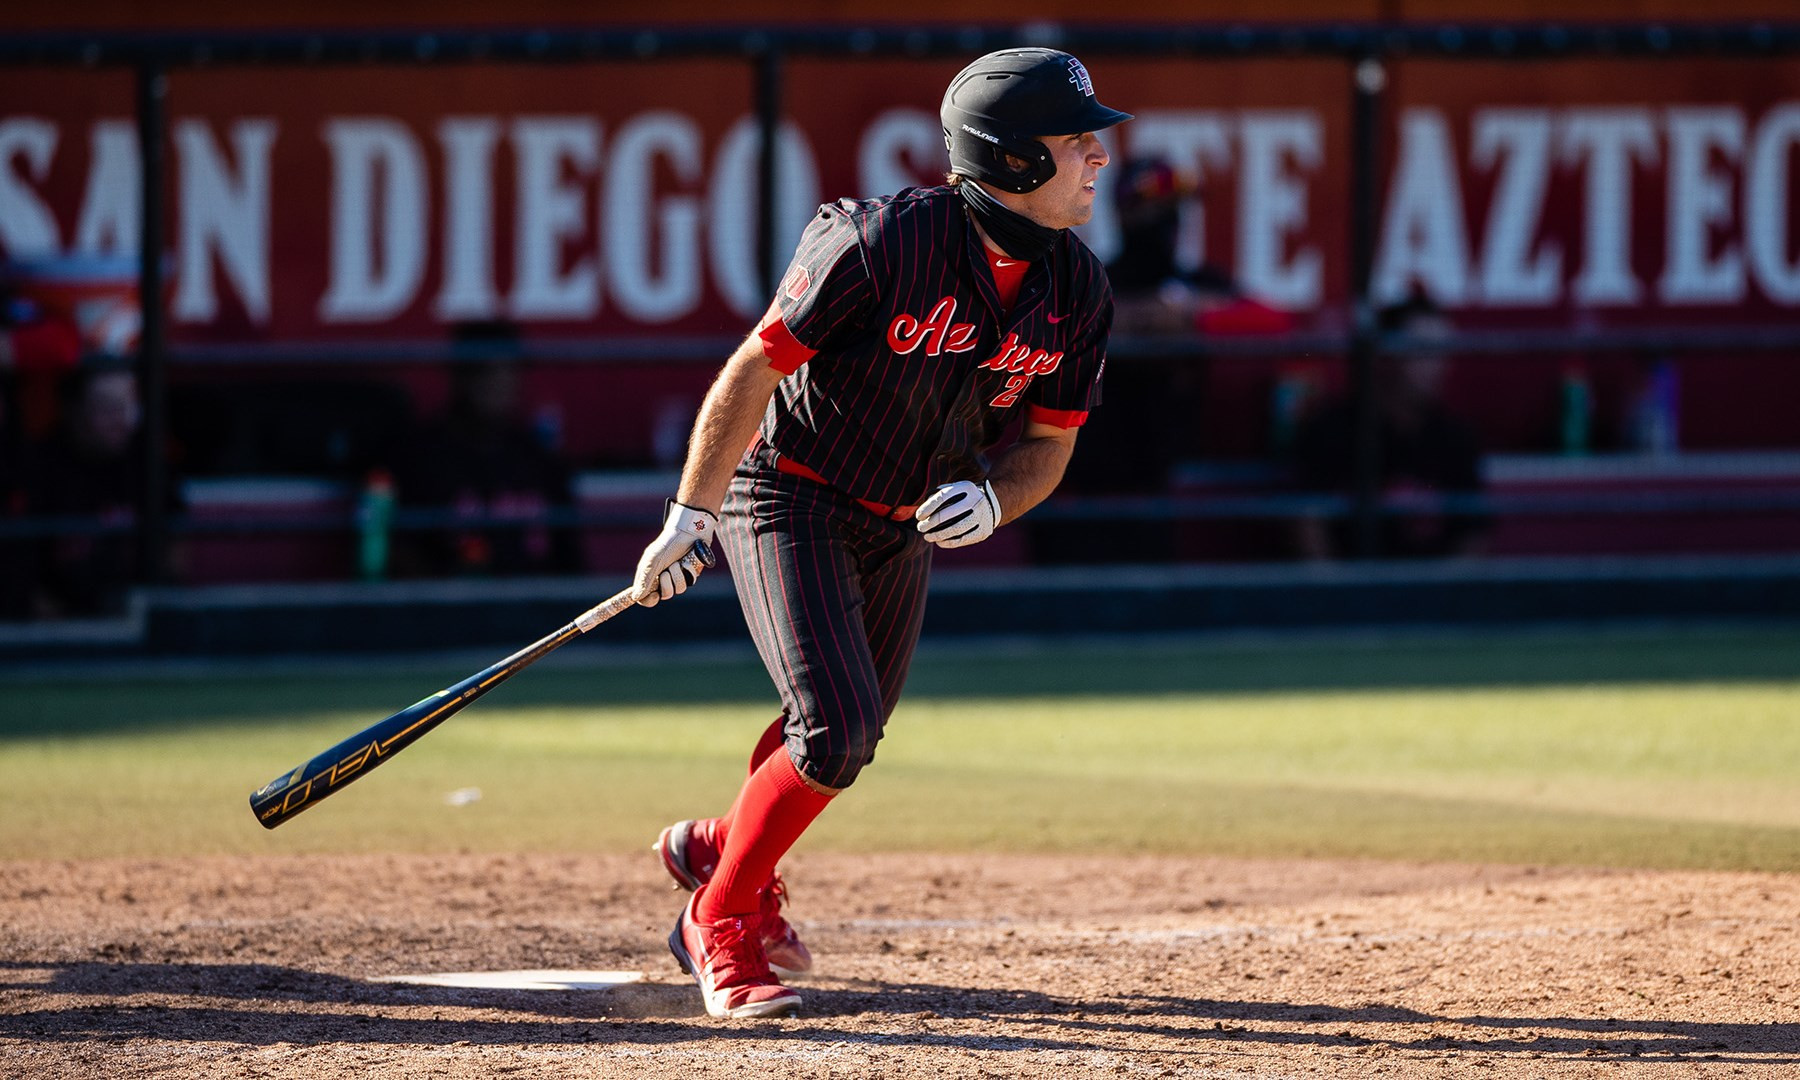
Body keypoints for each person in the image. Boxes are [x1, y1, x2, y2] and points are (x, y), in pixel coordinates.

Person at [627, 48, 1129, 1019]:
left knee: (844, 732)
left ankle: (722, 848)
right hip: (792, 495)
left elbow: (1048, 446)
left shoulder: (1079, 290)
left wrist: (994, 501)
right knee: (837, 729)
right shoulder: (876, 242)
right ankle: (718, 919)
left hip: (903, 523)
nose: (1100, 160)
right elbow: (755, 369)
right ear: (1017, 159)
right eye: (1080, 143)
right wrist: (691, 511)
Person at [1291, 293, 1488, 559]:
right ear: (1386, 354)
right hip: (1349, 592)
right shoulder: (1331, 430)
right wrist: (1338, 595)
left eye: (1443, 351)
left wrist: (1444, 596)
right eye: (1422, 351)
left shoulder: (1455, 437)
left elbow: (1473, 535)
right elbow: (1307, 527)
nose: (1437, 365)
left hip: (1429, 593)